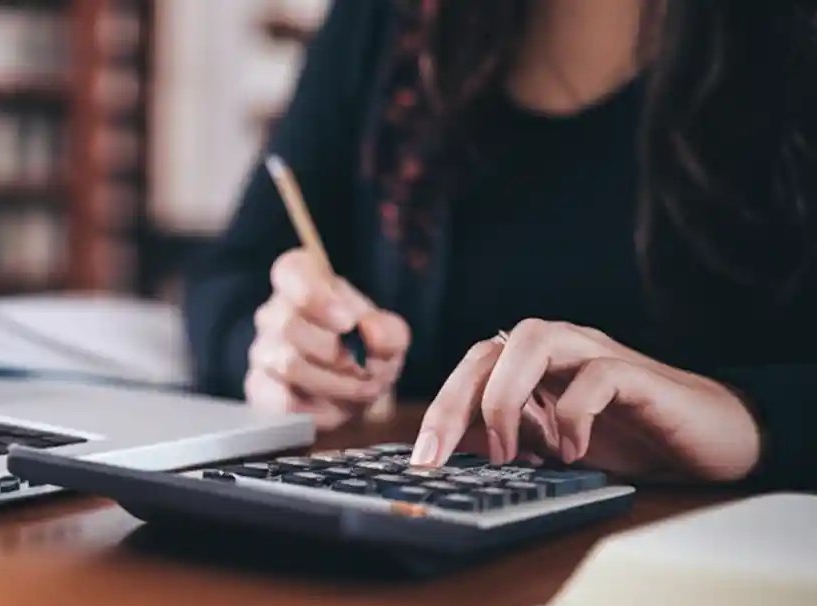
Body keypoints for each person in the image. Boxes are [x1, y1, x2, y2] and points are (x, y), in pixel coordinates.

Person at [183, 0, 817, 489]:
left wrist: (750, 418)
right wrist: (277, 353)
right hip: (422, 542)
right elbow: (232, 276)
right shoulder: (395, 20)